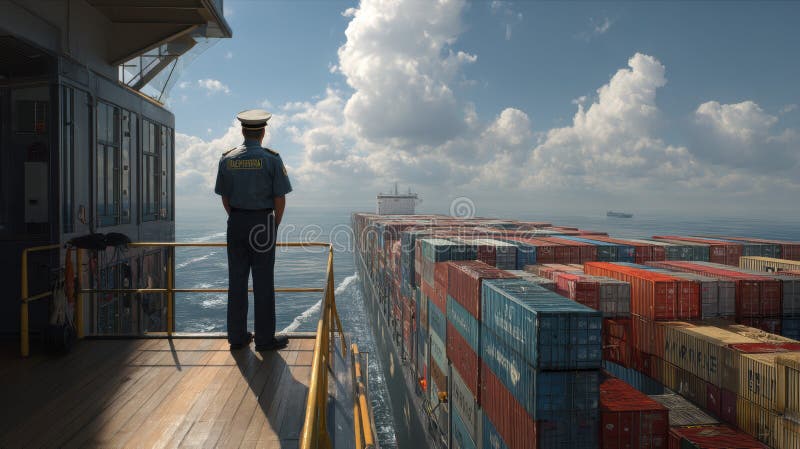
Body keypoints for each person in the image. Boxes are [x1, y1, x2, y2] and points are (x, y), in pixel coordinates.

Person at [214, 109, 292, 351]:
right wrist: (273, 224)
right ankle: (264, 339)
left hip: (236, 222)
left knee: (236, 281)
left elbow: (225, 197)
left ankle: (237, 337)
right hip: (263, 223)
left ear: (242, 130)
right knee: (263, 281)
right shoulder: (272, 159)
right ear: (263, 132)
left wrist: (238, 217)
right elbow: (280, 198)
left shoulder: (227, 158)